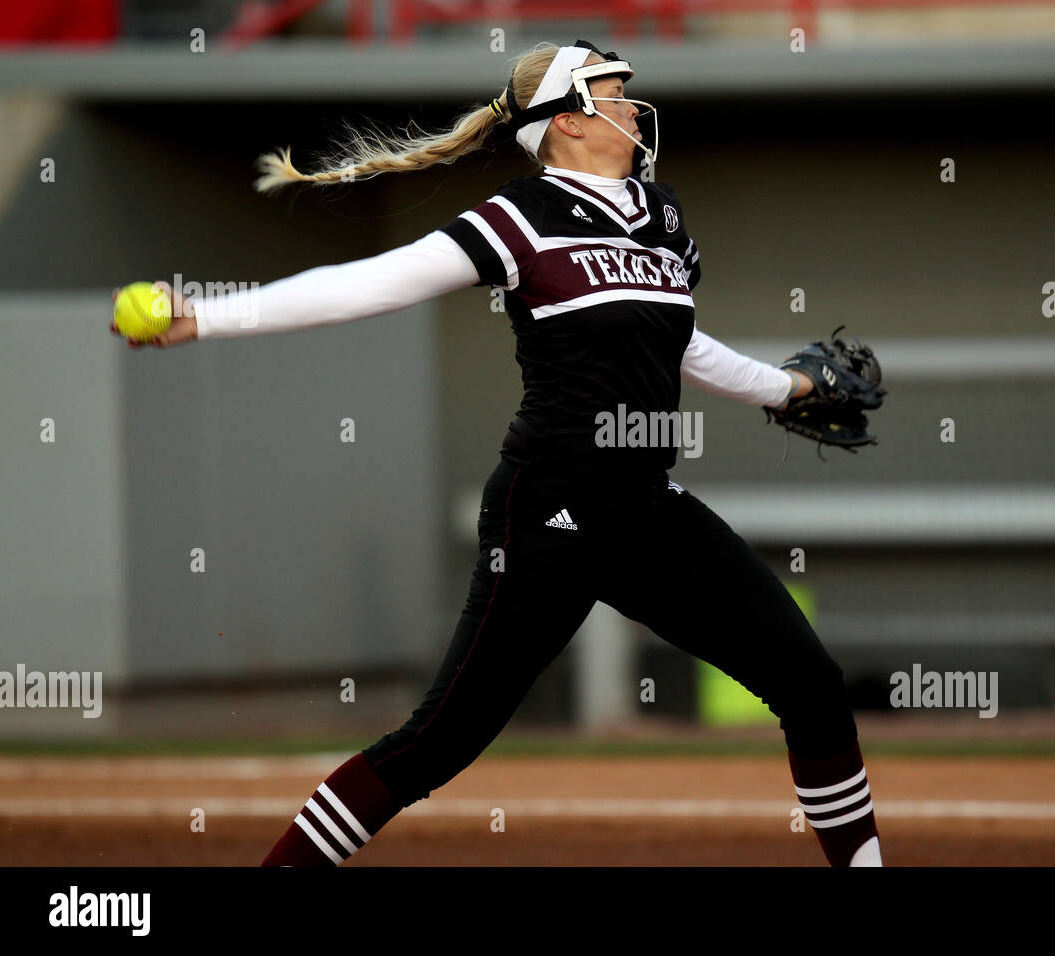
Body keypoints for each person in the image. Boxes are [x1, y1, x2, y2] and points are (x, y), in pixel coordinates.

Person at [110, 39, 883, 867]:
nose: (632, 108)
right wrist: (209, 316)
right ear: (572, 119)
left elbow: (681, 343)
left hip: (645, 507)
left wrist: (787, 388)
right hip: (547, 510)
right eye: (615, 94)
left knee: (810, 685)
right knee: (438, 742)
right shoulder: (519, 216)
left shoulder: (661, 218)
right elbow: (371, 282)